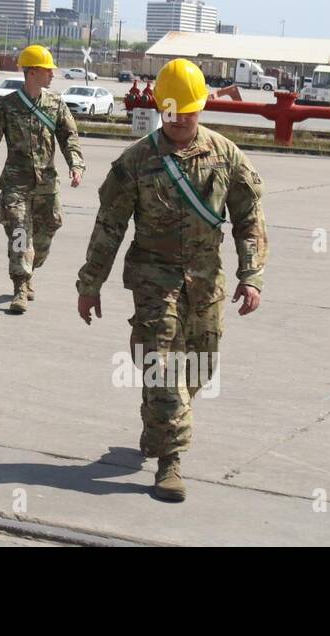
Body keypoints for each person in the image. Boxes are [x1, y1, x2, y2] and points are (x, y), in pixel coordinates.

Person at [75, 58, 267, 503]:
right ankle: (170, 462)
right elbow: (109, 225)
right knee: (159, 365)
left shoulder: (226, 156)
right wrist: (90, 283)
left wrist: (251, 274)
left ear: (201, 106)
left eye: (188, 109)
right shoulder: (136, 161)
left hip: (206, 284)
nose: (179, 118)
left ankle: (158, 427)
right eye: (171, 110)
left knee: (200, 369)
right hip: (152, 281)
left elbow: (249, 218)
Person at [0, 44, 84, 314]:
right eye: (47, 70)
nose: (52, 74)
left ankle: (29, 271)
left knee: (48, 230)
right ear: (31, 72)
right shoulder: (7, 106)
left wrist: (76, 166)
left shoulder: (55, 104)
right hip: (15, 182)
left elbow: (69, 138)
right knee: (19, 232)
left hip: (47, 183)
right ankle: (20, 286)